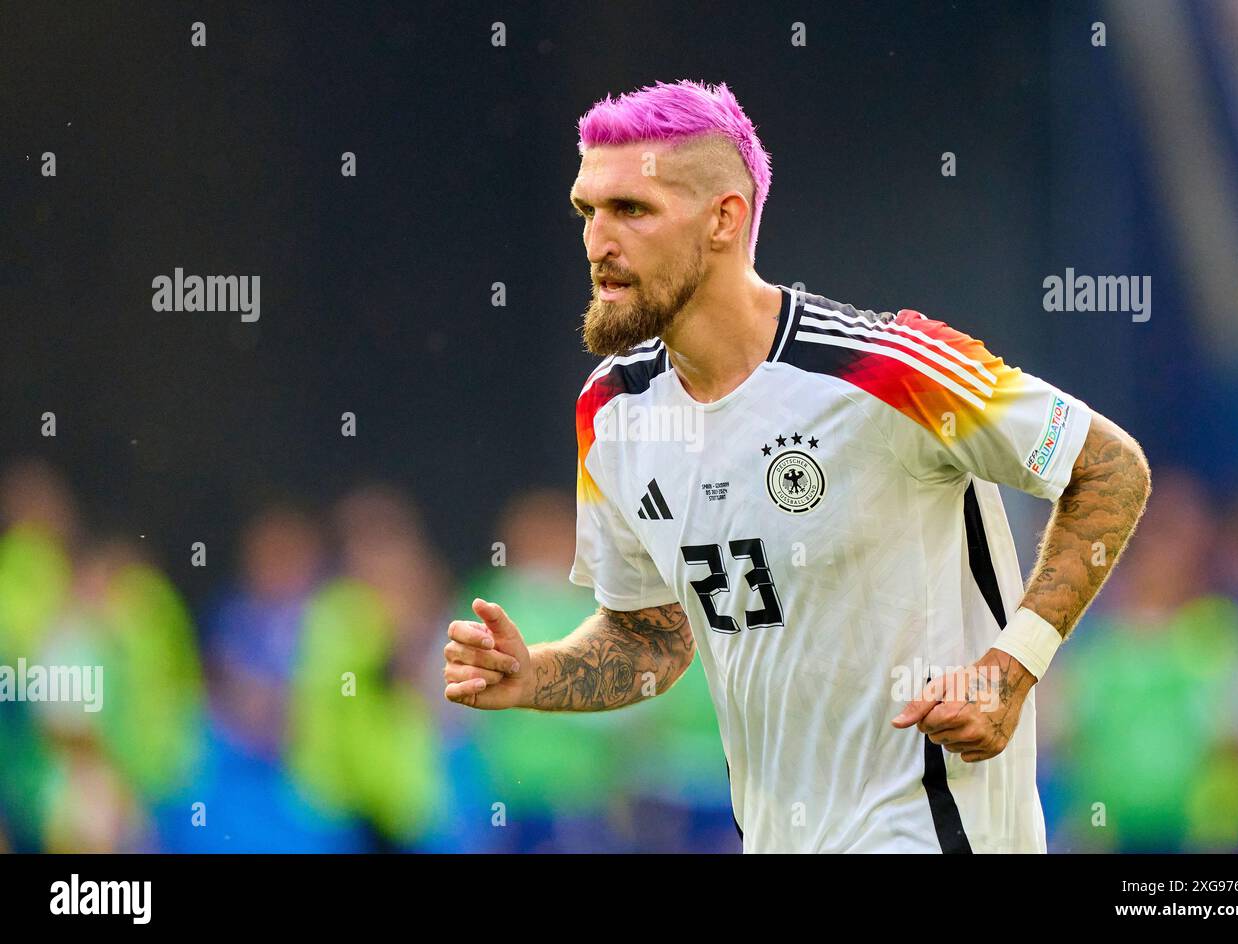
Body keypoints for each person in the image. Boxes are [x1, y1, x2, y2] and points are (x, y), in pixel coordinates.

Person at [444, 79, 1152, 853]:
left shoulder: (886, 369)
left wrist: (1012, 666)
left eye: (632, 210)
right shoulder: (613, 408)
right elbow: (651, 640)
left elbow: (1109, 466)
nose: (597, 243)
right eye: (588, 211)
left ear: (724, 219)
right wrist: (537, 675)